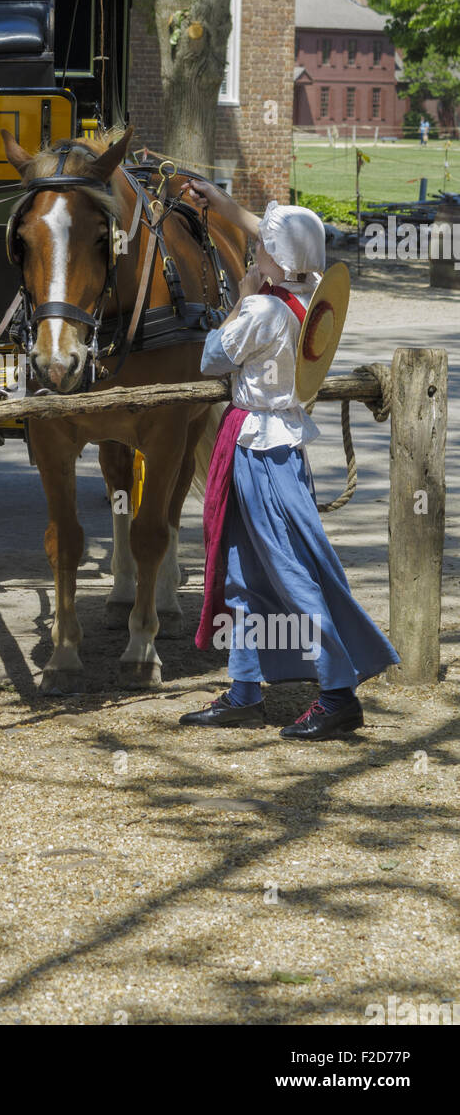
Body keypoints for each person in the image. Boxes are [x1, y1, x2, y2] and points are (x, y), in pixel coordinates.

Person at [178, 187, 400, 741]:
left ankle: (337, 693)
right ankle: (245, 689)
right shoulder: (310, 299)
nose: (256, 251)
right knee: (240, 573)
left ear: (276, 258)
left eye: (262, 247)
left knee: (289, 573)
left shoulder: (260, 307)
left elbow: (211, 359)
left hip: (260, 450)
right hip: (275, 444)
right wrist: (224, 206)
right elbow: (284, 236)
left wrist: (240, 297)